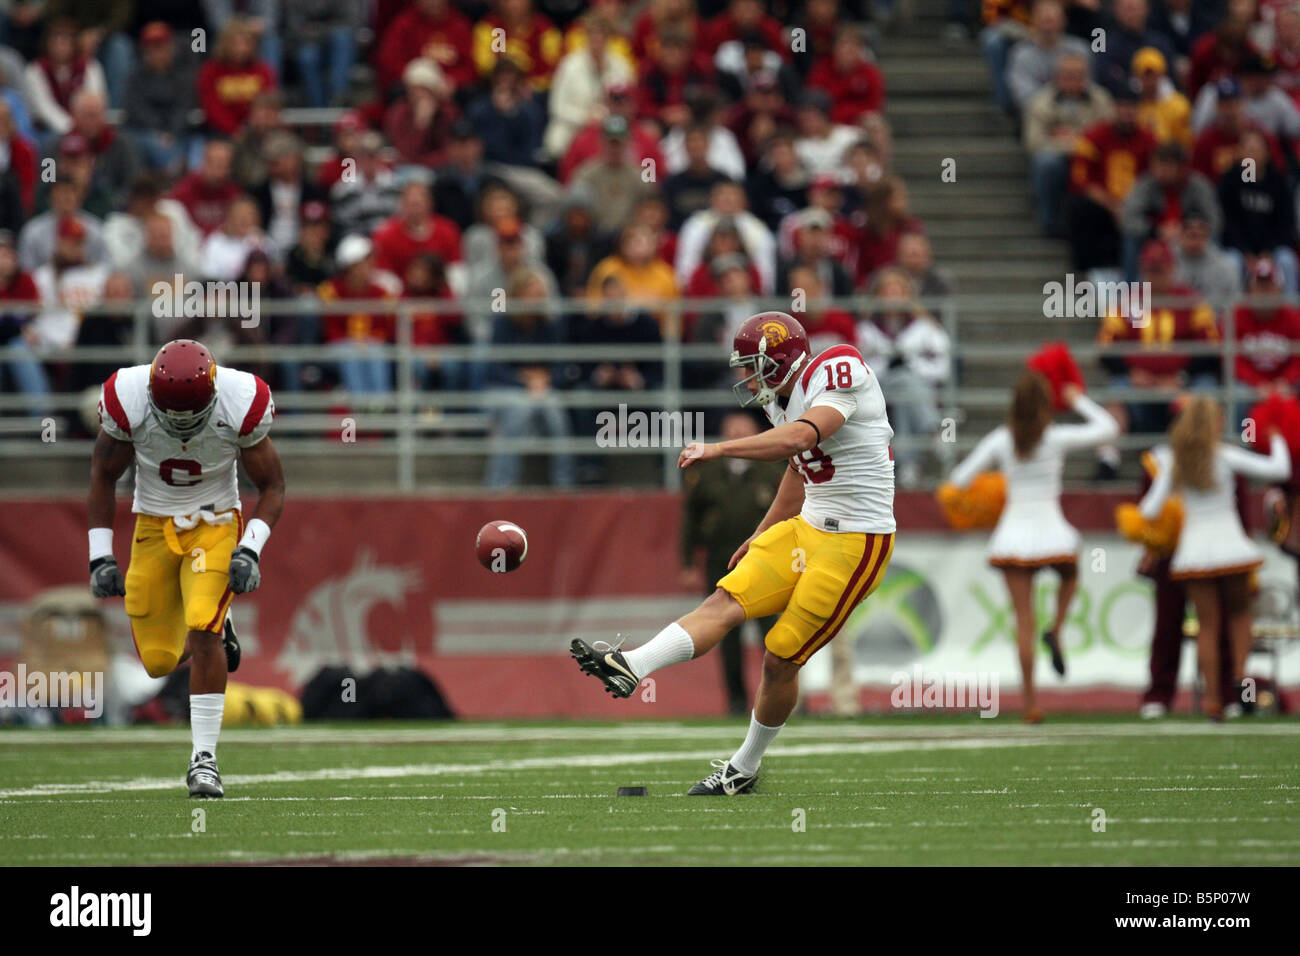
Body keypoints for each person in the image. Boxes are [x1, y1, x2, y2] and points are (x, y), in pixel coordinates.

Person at [571, 312, 896, 795]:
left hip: (857, 539)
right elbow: (797, 469)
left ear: (781, 361)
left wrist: (719, 449)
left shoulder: (838, 367)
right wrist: (761, 532)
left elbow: (803, 437)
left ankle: (743, 768)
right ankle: (632, 666)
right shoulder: (781, 400)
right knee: (723, 601)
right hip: (806, 527)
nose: (746, 377)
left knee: (779, 658)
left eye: (753, 365)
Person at [87, 339, 285, 796]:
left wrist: (250, 549)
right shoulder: (127, 395)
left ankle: (204, 760)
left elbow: (273, 484)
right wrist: (101, 555)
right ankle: (220, 626)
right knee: (156, 662)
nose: (180, 427)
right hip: (153, 524)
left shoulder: (241, 399)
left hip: (215, 522)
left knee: (201, 628)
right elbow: (102, 472)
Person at [948, 373, 1119, 722]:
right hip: (1053, 530)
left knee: (1023, 620)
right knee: (1070, 576)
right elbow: (1109, 429)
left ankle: (1030, 704)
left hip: (1013, 534)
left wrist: (992, 493)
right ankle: (1056, 628)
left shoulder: (1001, 440)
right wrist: (1076, 399)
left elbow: (959, 480)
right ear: (1045, 405)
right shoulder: (1056, 438)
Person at [1138, 396, 1291, 719]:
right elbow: (1280, 468)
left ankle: (1212, 701)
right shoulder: (1226, 455)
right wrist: (1276, 436)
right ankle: (1237, 682)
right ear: (1212, 424)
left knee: (1207, 626)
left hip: (1194, 552)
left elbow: (1147, 510)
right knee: (1238, 616)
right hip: (1231, 547)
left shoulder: (1174, 465)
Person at [681, 411, 785, 715]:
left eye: (744, 429)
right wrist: (687, 562)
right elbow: (690, 519)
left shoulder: (772, 470)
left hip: (767, 563)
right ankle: (737, 701)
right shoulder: (707, 472)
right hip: (722, 560)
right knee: (725, 634)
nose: (738, 433)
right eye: (732, 429)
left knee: (776, 636)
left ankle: (778, 699)